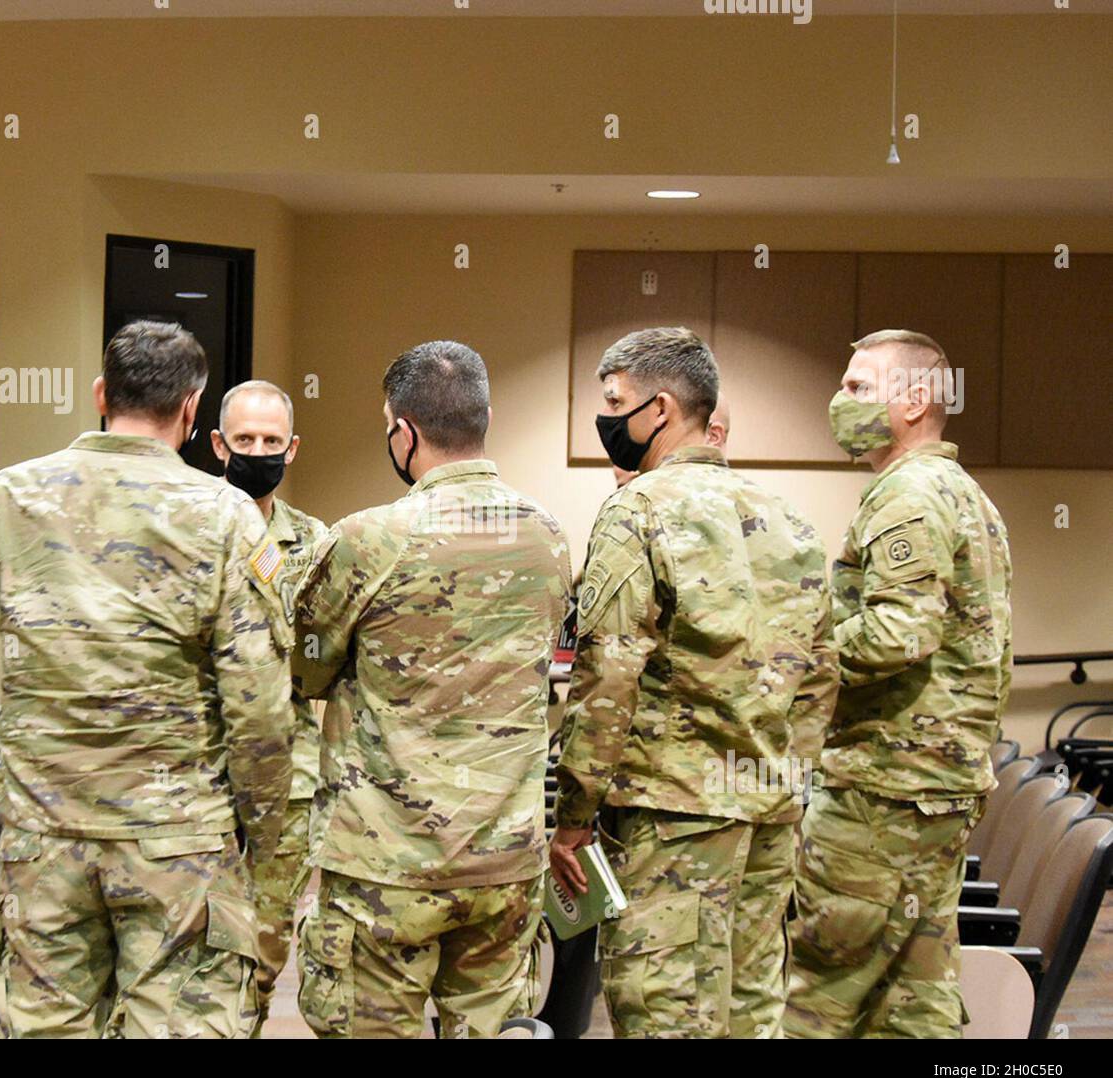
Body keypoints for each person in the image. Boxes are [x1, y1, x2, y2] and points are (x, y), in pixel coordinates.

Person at [0, 320, 293, 1039]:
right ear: (194, 409)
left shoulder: (9, 498)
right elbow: (258, 703)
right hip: (179, 843)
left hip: (47, 831)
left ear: (102, 394)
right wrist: (263, 846)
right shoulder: (225, 515)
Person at [550, 326, 837, 1039]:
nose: (606, 419)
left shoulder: (637, 510)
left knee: (664, 1014)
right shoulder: (791, 521)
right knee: (749, 1013)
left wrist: (575, 814)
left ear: (660, 410)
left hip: (670, 820)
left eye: (615, 401)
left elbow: (607, 676)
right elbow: (820, 675)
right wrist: (782, 778)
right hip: (768, 813)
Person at [292, 340, 571, 1038]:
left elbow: (304, 669)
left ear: (403, 431)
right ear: (485, 418)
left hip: (388, 862)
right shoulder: (546, 536)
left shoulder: (368, 538)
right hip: (503, 862)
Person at [786, 329, 1012, 1039]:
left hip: (882, 788)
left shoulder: (907, 495)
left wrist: (795, 663)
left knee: (816, 995)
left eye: (857, 387)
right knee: (913, 996)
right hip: (935, 786)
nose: (839, 401)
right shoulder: (962, 492)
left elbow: (898, 634)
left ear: (915, 402)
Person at [210, 379, 327, 1032]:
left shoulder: (313, 542)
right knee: (184, 955)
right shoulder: (185, 530)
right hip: (195, 780)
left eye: (271, 441)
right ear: (219, 444)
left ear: (293, 449)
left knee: (260, 950)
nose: (258, 451)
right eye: (245, 440)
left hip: (289, 784)